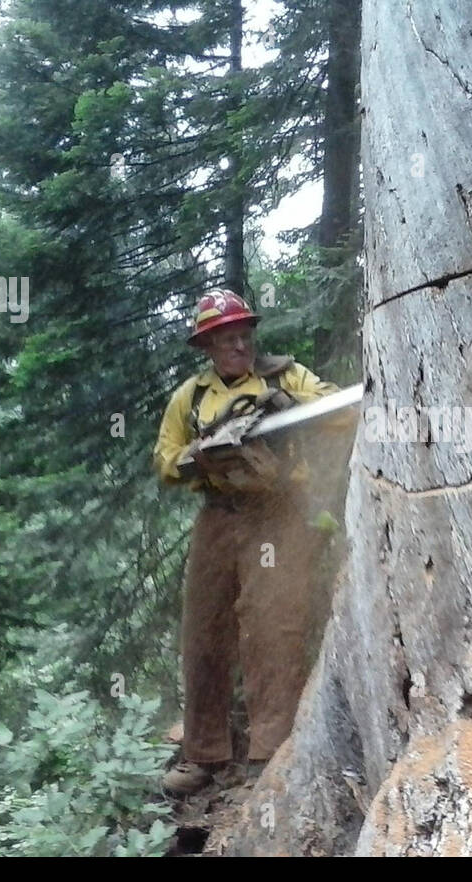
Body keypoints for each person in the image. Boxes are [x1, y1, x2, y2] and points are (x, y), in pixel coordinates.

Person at [153, 288, 338, 796]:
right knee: (203, 633)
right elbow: (165, 461)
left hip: (278, 514)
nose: (238, 345)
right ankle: (203, 753)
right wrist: (197, 456)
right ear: (208, 346)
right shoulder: (190, 397)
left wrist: (288, 403)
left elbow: (340, 411)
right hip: (217, 515)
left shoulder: (286, 375)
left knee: (272, 625)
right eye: (226, 338)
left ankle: (270, 751)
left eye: (243, 335)